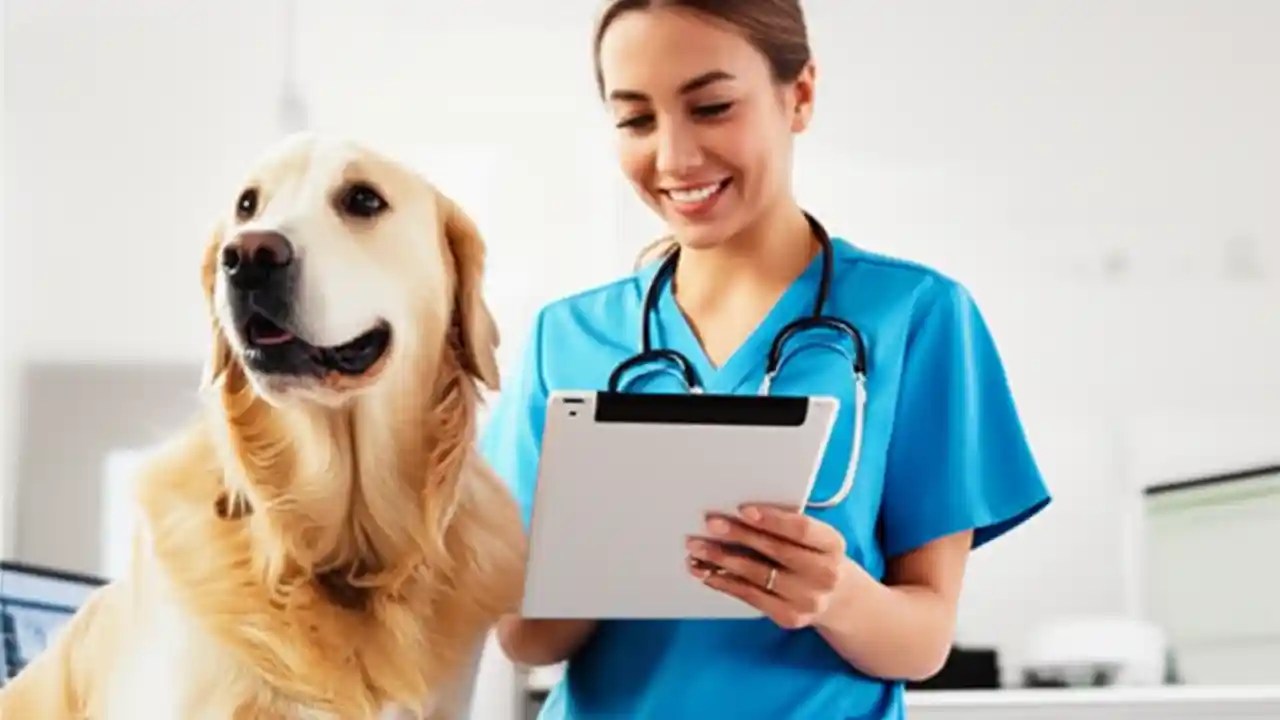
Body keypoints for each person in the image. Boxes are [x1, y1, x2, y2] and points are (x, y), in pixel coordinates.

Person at [478, 1, 1052, 718]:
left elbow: (924, 640)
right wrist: (600, 564)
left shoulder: (916, 318)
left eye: (712, 107)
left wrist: (834, 594)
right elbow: (522, 638)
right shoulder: (567, 338)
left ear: (800, 95)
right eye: (635, 120)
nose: (673, 157)